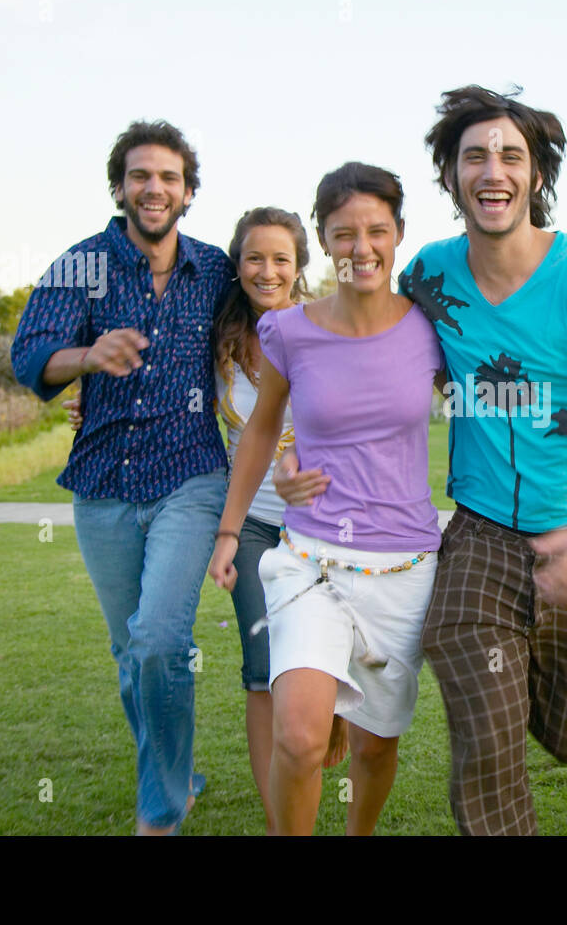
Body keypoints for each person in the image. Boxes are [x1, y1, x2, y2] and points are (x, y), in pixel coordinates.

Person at [398, 85, 567, 835]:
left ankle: (541, 691)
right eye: (474, 156)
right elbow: (385, 361)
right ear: (451, 177)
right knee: (488, 742)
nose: (494, 171)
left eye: (511, 156)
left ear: (537, 177)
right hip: (480, 539)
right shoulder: (426, 274)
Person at [64, 206, 350, 834]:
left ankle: (333, 717)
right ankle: (283, 825)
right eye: (253, 257)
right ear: (235, 265)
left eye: (281, 258)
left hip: (323, 525)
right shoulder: (215, 335)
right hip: (246, 522)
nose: (266, 270)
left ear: (301, 265)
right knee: (260, 671)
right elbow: (156, 380)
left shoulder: (325, 329)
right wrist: (96, 399)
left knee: (323, 669)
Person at [11, 119, 235, 834]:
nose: (154, 188)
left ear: (189, 192)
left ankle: (161, 811)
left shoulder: (217, 271)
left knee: (158, 639)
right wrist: (86, 357)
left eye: (169, 177)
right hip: (103, 483)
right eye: (141, 175)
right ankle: (177, 769)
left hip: (192, 478)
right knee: (130, 649)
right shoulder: (81, 265)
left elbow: (277, 323)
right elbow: (29, 355)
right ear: (119, 187)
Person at [208, 163, 444, 836]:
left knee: (373, 746)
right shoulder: (292, 331)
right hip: (309, 560)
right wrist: (230, 532)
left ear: (399, 234)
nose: (361, 248)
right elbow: (259, 432)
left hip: (403, 568)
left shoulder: (431, 331)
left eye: (376, 231)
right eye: (344, 234)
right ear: (325, 239)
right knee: (301, 738)